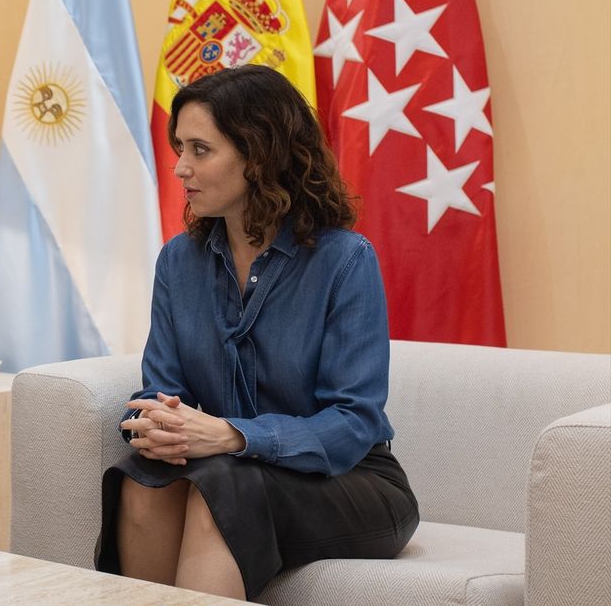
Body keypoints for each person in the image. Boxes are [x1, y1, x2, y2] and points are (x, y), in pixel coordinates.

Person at [97, 65, 418, 600]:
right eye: (180, 148)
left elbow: (355, 419)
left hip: (352, 481)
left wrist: (235, 436)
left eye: (200, 150)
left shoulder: (344, 260)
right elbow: (159, 389)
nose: (180, 168)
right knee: (143, 476)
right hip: (227, 470)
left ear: (259, 155)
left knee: (222, 484)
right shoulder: (179, 261)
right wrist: (152, 422)